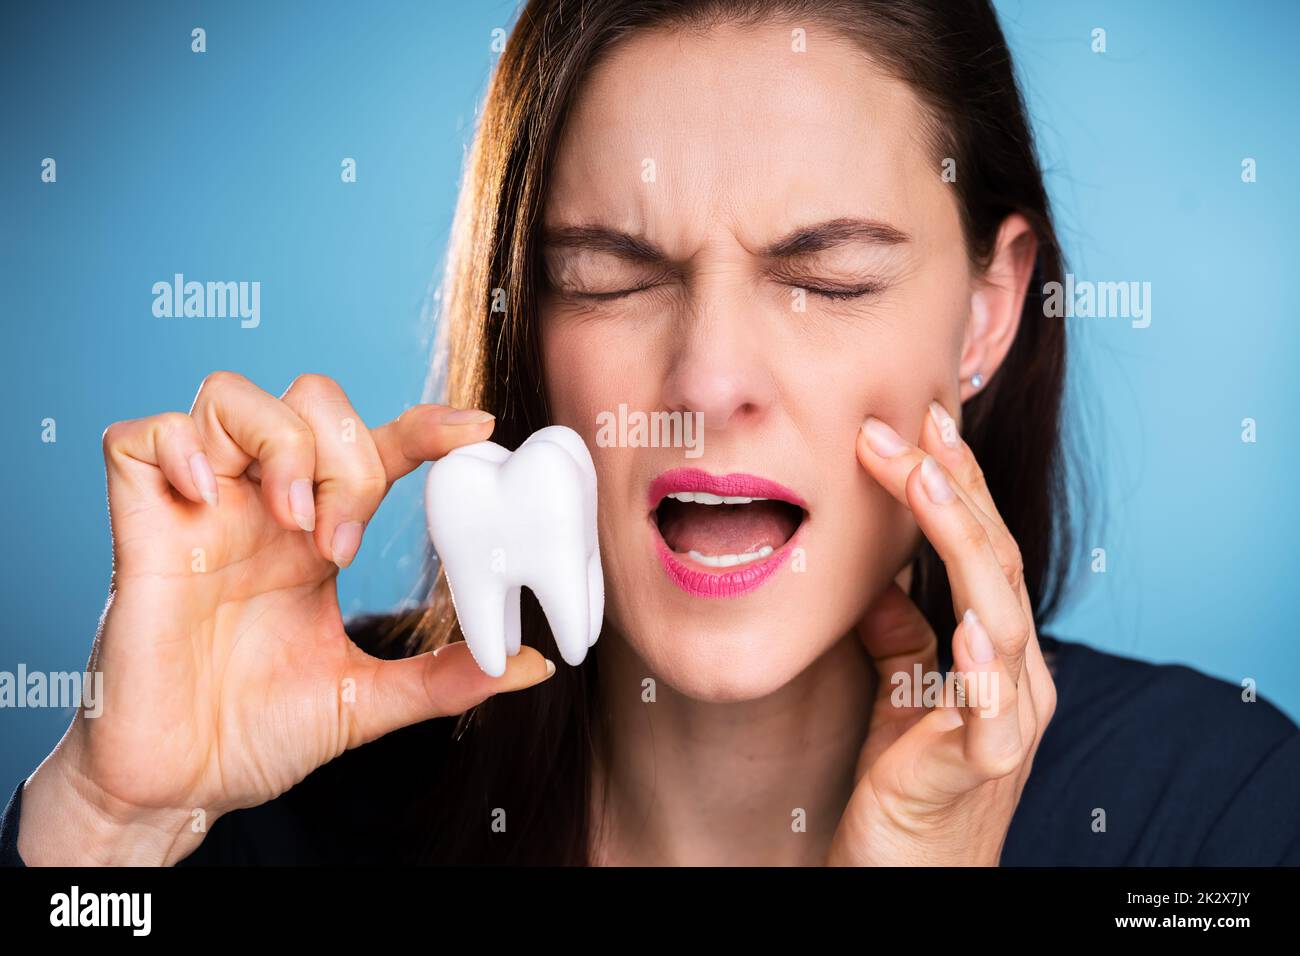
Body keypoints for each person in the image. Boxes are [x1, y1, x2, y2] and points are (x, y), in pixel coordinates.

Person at [5, 0, 1298, 867]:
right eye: (614, 275)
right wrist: (110, 822)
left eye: (828, 277)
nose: (708, 377)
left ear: (986, 314)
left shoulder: (1215, 818)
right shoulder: (286, 806)